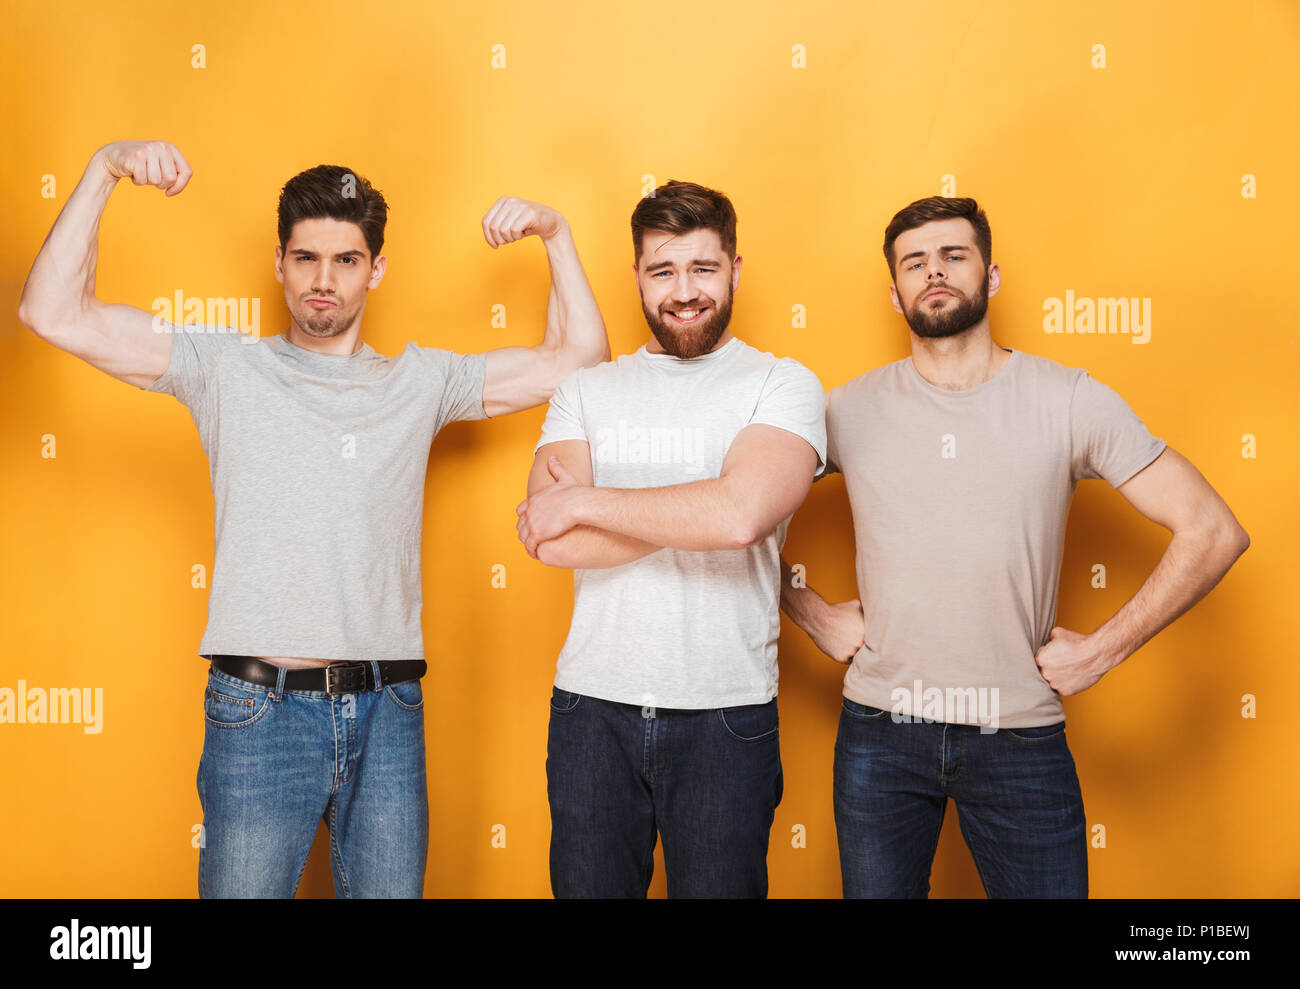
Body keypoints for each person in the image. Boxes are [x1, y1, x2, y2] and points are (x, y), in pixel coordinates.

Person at [17, 140, 610, 898]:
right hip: (260, 710)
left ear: (377, 269)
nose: (323, 281)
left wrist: (555, 235)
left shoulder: (422, 380)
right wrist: (104, 168)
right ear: (279, 262)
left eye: (346, 260)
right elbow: (51, 309)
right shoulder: (223, 368)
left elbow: (582, 356)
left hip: (389, 711)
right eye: (305, 259)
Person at [778, 195, 1250, 898]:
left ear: (991, 277)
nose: (933, 272)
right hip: (880, 733)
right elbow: (742, 517)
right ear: (895, 291)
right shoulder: (844, 410)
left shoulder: (1069, 401)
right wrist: (809, 609)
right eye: (915, 262)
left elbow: (1214, 529)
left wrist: (1103, 649)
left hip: (1020, 735)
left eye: (953, 256)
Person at [515, 179, 826, 898]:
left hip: (726, 715)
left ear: (735, 268)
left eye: (703, 269)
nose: (683, 291)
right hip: (590, 711)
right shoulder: (587, 390)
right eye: (663, 271)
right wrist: (703, 503)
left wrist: (591, 502)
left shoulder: (783, 384)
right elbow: (551, 537)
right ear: (637, 277)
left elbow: (740, 517)